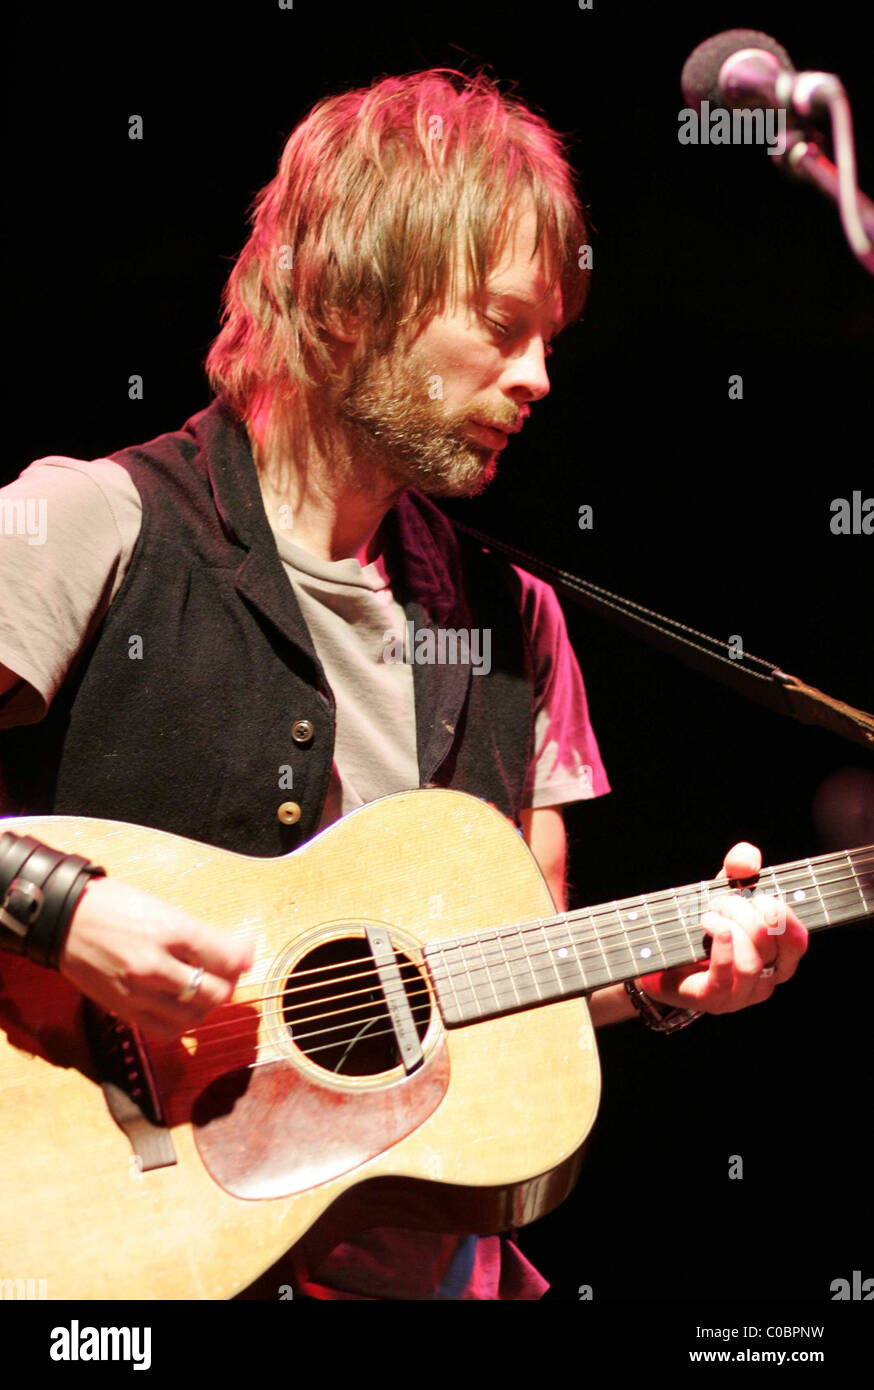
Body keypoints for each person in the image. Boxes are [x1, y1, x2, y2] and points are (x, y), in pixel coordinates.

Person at [0, 68, 806, 1299]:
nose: (538, 378)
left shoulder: (515, 627)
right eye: (500, 323)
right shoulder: (88, 524)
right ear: (345, 301)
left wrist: (661, 982)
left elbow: (500, 987)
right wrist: (61, 908)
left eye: (551, 339)